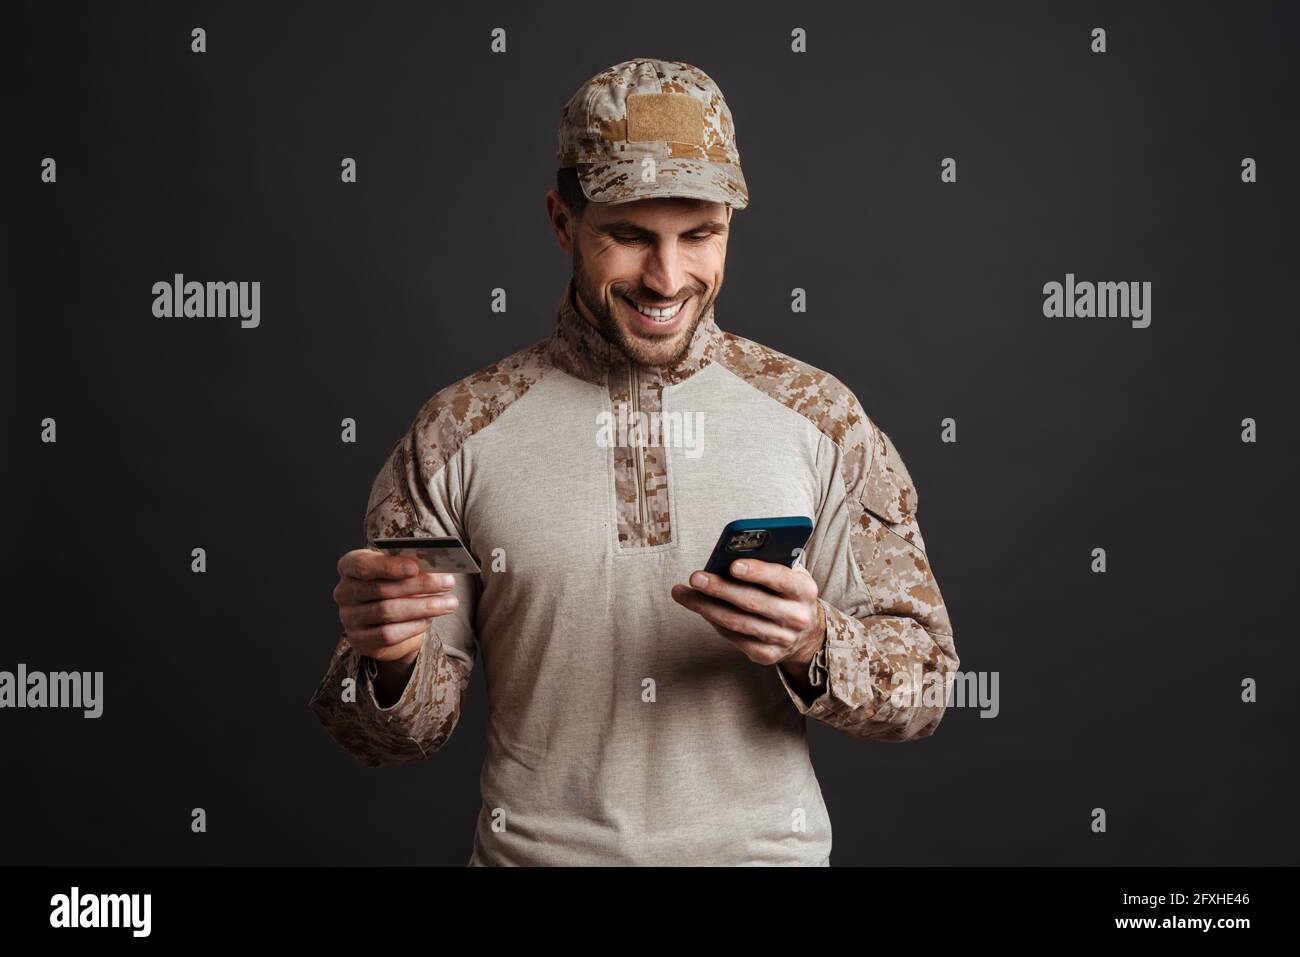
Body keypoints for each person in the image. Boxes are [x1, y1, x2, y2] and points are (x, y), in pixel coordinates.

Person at [309, 58, 959, 866]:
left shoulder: (821, 418)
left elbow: (929, 687)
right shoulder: (456, 431)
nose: (667, 277)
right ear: (561, 222)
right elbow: (383, 736)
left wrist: (813, 640)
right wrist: (389, 659)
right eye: (629, 235)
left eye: (700, 235)